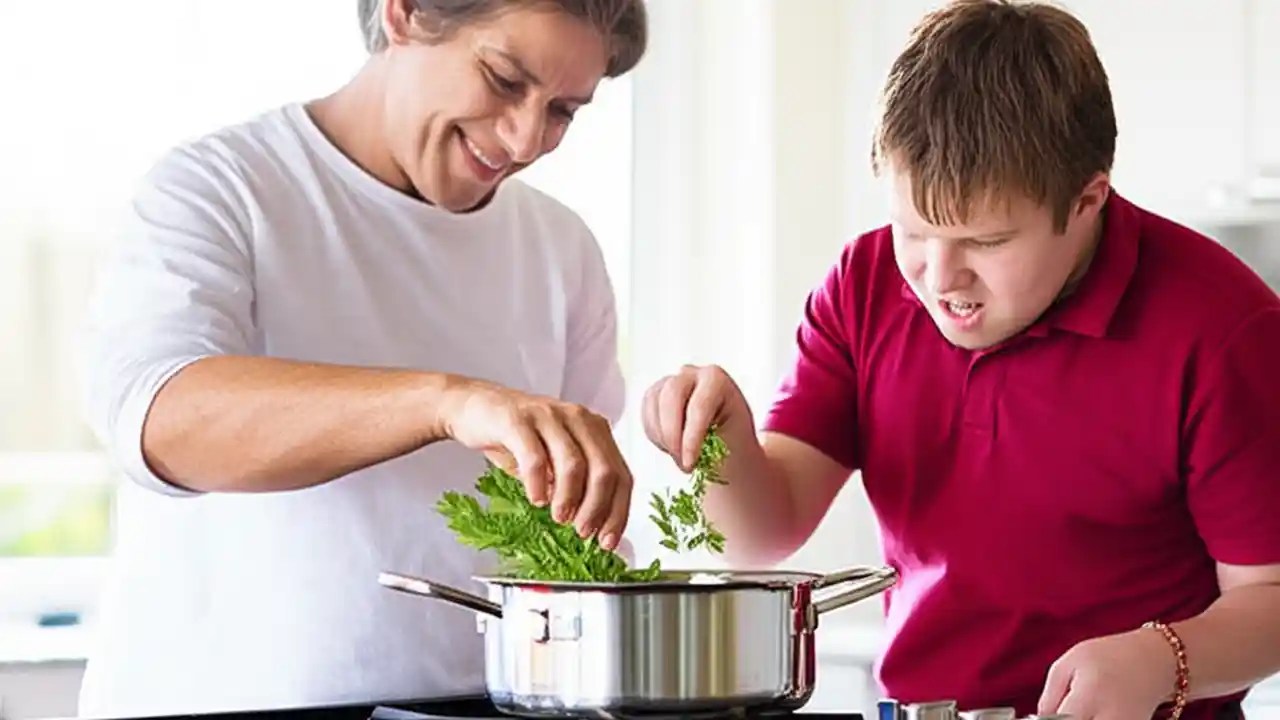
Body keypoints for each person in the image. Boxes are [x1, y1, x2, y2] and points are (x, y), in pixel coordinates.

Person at [642, 1, 1280, 719]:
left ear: (1087, 200)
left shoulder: (1225, 329)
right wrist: (722, 439)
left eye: (986, 242)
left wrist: (1164, 658)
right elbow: (763, 536)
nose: (939, 279)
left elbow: (1271, 597)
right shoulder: (864, 285)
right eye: (913, 228)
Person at [77, 0, 646, 716]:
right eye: (504, 79)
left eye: (563, 110)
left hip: (476, 705)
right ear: (403, 14)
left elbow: (581, 531)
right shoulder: (219, 188)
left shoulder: (562, 250)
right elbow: (157, 421)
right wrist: (443, 404)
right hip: (214, 702)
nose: (527, 137)